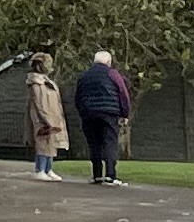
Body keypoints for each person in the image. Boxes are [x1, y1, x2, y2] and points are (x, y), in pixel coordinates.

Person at [73, 47, 134, 186]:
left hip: (88, 114)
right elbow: (123, 94)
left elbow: (77, 97)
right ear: (108, 62)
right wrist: (124, 114)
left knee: (94, 144)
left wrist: (82, 111)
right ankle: (110, 175)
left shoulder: (84, 76)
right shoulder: (113, 74)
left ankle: (97, 175)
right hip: (108, 113)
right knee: (109, 142)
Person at [24, 53, 69, 179]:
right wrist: (47, 119)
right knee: (42, 143)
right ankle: (40, 170)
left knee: (51, 143)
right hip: (42, 118)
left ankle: (49, 169)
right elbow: (39, 103)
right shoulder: (36, 83)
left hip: (53, 116)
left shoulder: (47, 82)